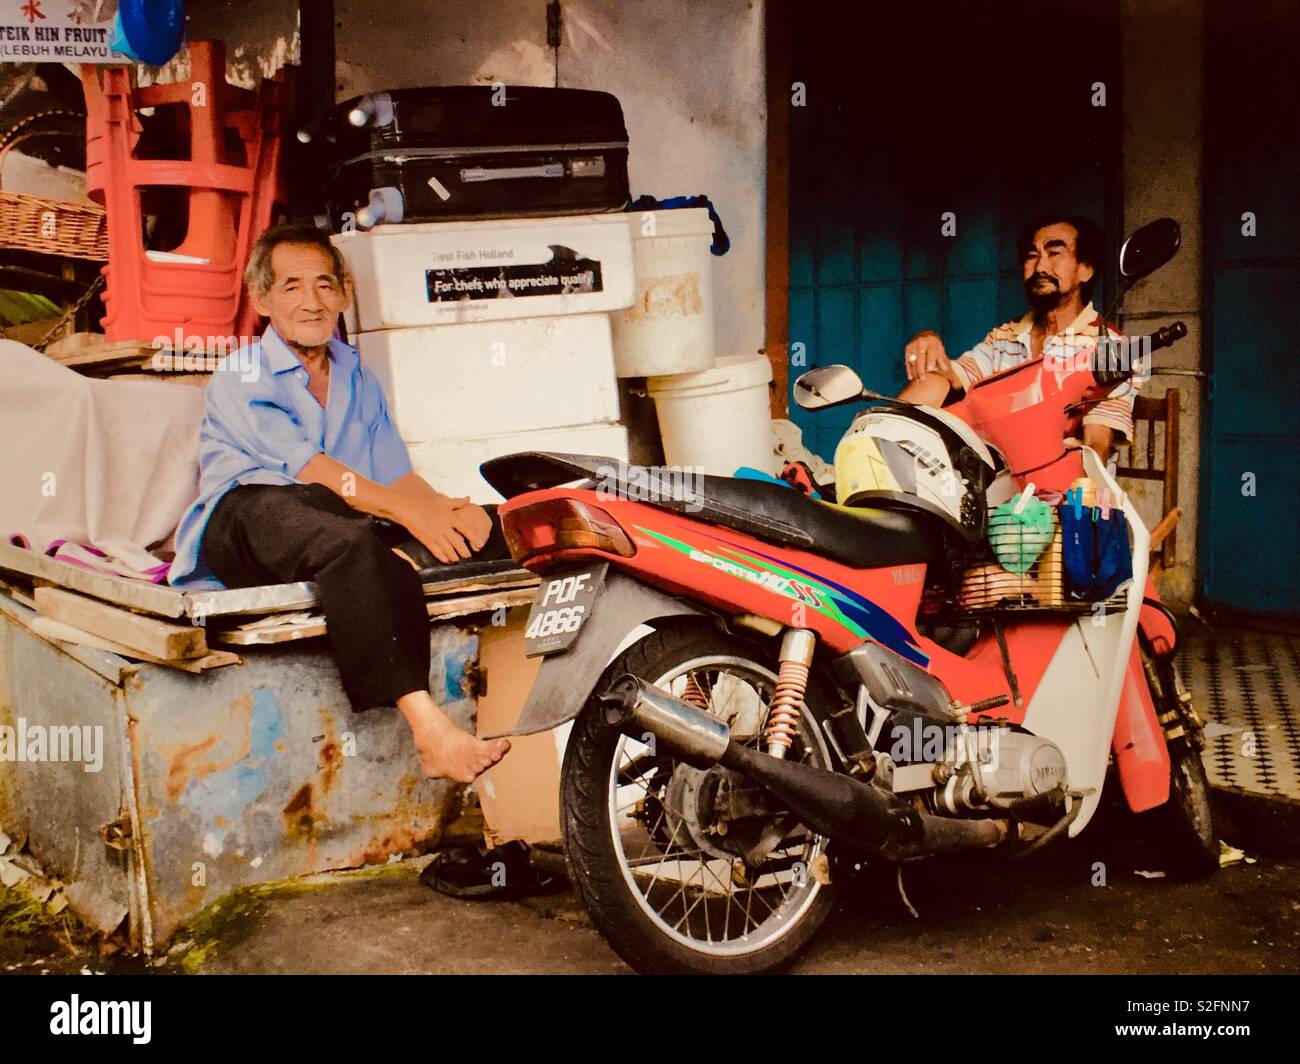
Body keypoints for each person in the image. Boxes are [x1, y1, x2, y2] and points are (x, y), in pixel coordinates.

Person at [167, 223, 511, 784]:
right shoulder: (242, 374)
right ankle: (430, 732)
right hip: (249, 516)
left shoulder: (356, 374)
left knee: (494, 527)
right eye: (292, 286)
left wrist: (445, 507)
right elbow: (316, 472)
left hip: (335, 513)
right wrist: (409, 514)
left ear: (345, 295)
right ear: (262, 300)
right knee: (350, 542)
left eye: (326, 285)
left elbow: (395, 475)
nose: (312, 302)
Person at [898, 215, 1134, 462]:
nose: (1040, 267)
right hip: (997, 484)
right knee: (933, 381)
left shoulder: (1113, 346)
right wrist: (928, 338)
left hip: (1065, 487)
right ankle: (878, 452)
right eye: (1032, 255)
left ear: (1086, 269)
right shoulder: (1005, 336)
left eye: (1054, 253)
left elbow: (1096, 443)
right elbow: (954, 376)